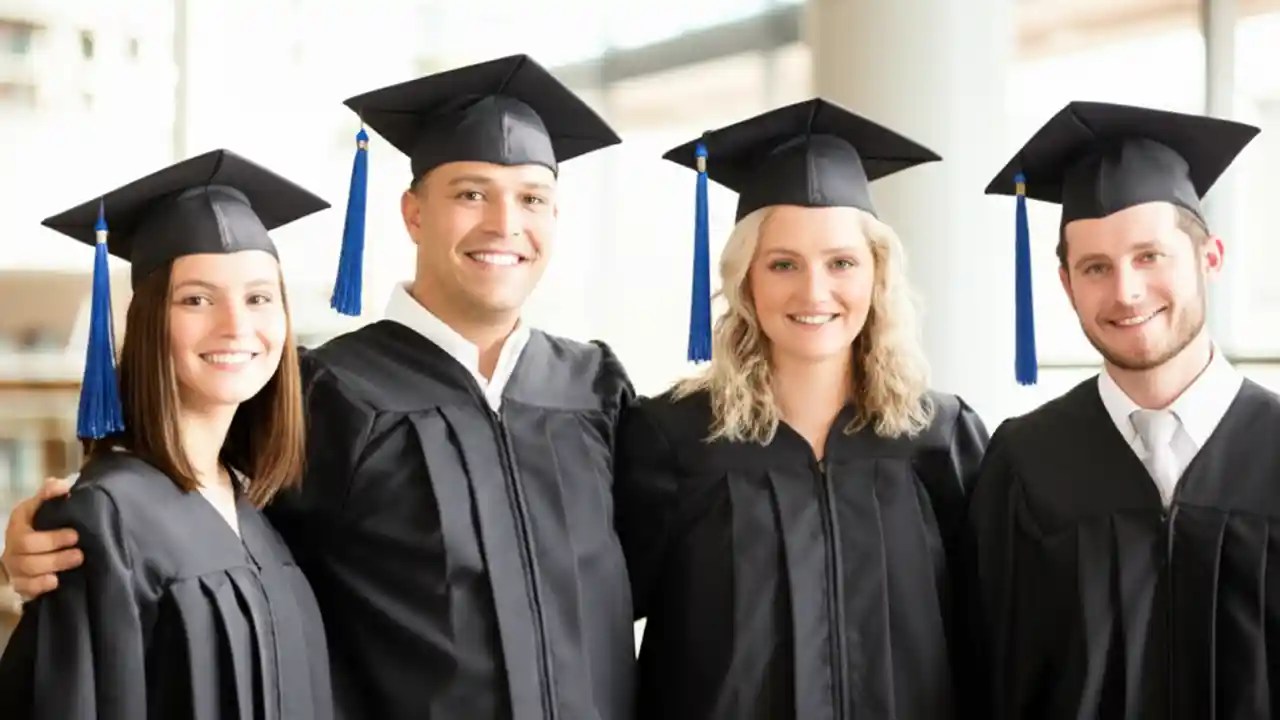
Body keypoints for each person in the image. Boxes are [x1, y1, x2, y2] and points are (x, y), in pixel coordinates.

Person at [2, 54, 635, 720]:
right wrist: (48, 549)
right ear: (414, 214)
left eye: (532, 197)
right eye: (471, 192)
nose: (504, 223)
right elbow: (165, 510)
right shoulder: (326, 393)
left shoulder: (596, 390)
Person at [614, 97, 990, 720]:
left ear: (877, 276)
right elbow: (594, 630)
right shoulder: (671, 440)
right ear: (746, 281)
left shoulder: (940, 438)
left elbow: (987, 637)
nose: (814, 292)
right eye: (783, 264)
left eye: (841, 262)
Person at [0, 149, 333, 718]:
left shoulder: (254, 506)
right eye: (197, 299)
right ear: (149, 319)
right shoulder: (104, 517)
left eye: (258, 297)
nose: (236, 325)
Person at [967, 101, 1272, 719]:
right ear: (1065, 284)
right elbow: (985, 676)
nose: (1125, 292)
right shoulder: (1024, 463)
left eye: (1149, 256)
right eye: (1096, 268)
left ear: (1209, 257)